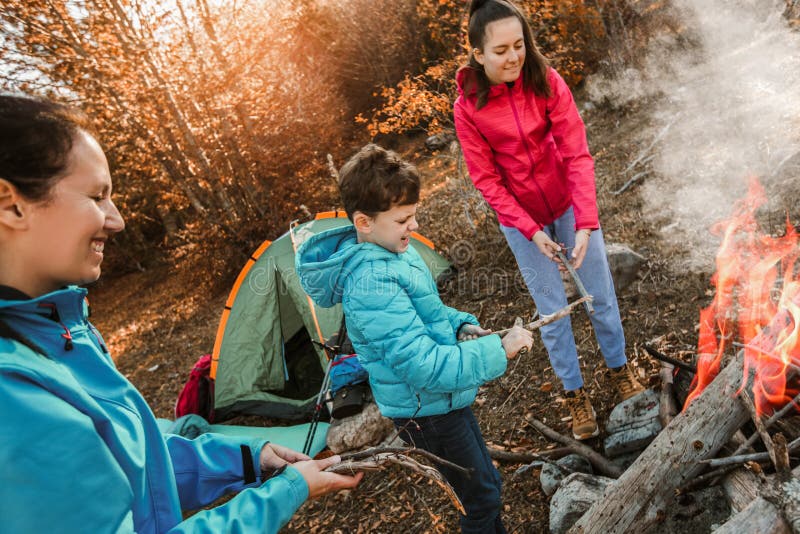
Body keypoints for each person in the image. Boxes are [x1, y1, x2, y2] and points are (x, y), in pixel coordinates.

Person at [0, 95, 362, 533]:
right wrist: (285, 492)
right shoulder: (12, 395)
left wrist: (245, 459)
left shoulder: (56, 330)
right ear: (10, 204)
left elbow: (134, 462)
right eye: (97, 197)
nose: (116, 221)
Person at [296, 143, 533, 533]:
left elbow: (428, 315)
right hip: (426, 410)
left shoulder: (392, 251)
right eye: (404, 219)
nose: (415, 226)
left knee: (483, 486)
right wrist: (498, 351)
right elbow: (423, 365)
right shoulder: (371, 284)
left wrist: (460, 327)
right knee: (479, 498)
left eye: (413, 216)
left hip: (443, 400)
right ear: (364, 222)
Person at [453, 0, 645, 440]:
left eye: (519, 45)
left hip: (567, 205)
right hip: (522, 222)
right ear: (478, 53)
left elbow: (577, 154)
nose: (513, 57)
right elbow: (488, 181)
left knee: (599, 293)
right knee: (552, 310)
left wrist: (585, 223)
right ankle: (574, 393)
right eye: (500, 50)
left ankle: (618, 369)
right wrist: (531, 231)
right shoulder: (468, 108)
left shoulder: (546, 80)